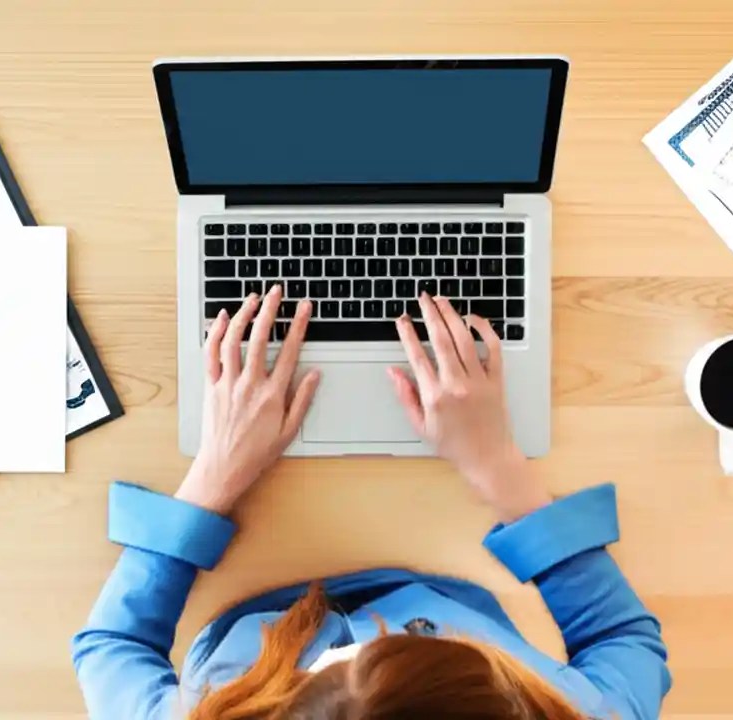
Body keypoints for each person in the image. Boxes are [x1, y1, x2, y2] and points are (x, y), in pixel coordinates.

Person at [72, 286, 671, 720]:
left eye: (329, 673)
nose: (360, 642)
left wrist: (212, 478)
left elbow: (113, 647)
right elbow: (622, 638)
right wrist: (498, 466)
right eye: (415, 647)